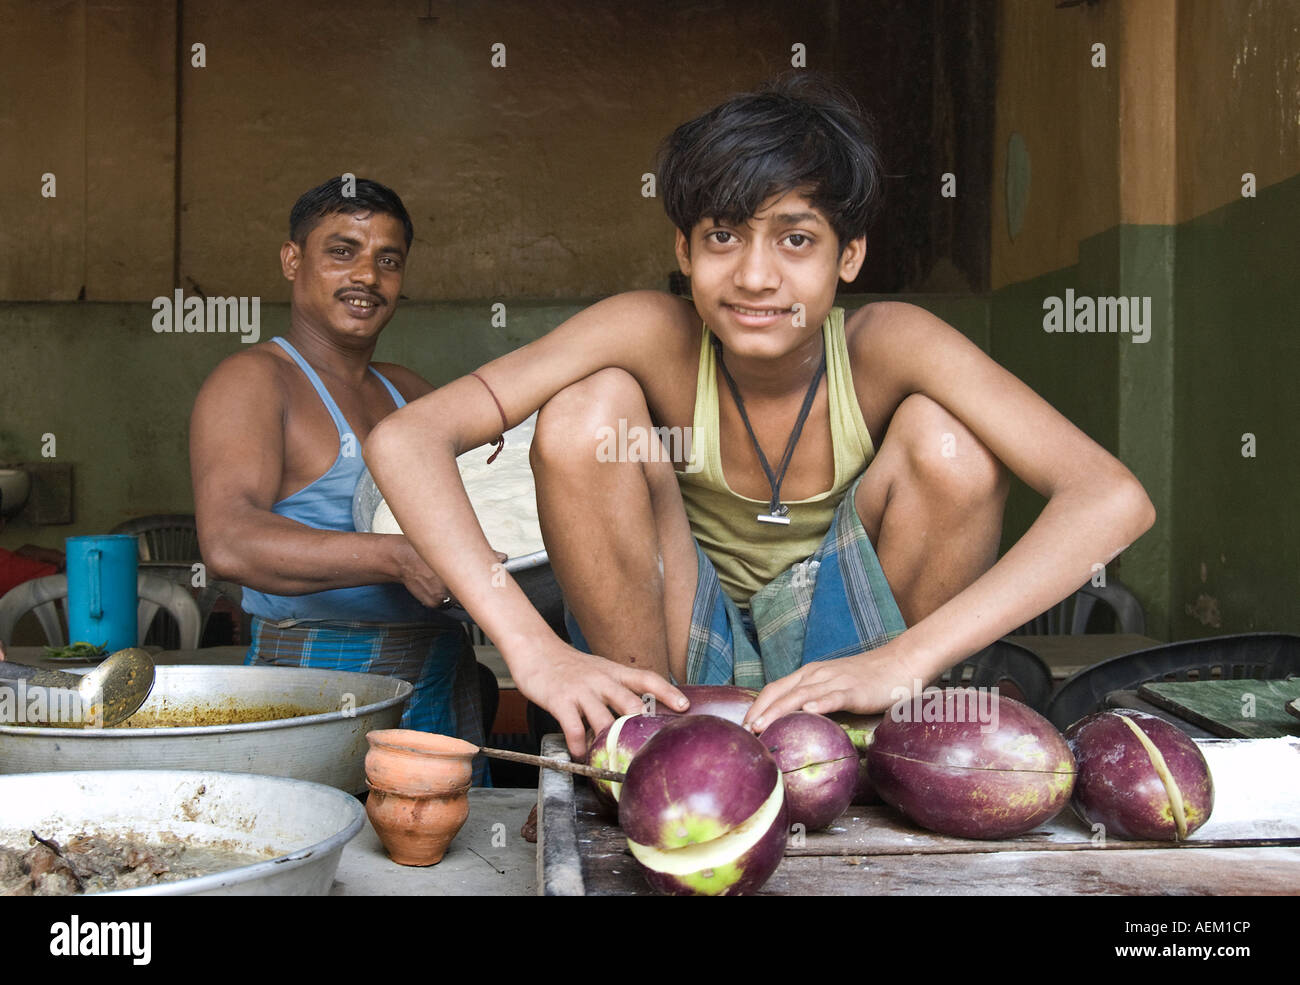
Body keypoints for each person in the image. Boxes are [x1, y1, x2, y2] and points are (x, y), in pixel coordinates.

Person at [364, 75, 1154, 757]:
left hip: (855, 659)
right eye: (723, 235)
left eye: (796, 238)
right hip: (680, 653)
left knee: (953, 447)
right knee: (586, 412)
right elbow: (406, 437)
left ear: (849, 256)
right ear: (684, 249)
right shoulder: (648, 331)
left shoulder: (892, 345)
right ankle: (648, 750)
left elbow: (1112, 496)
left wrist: (907, 661)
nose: (754, 274)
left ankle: (866, 750)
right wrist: (532, 650)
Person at [190, 177, 494, 783]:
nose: (367, 277)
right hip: (316, 687)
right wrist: (400, 558)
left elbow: (489, 506)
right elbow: (228, 541)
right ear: (292, 259)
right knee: (326, 852)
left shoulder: (409, 392)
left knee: (450, 860)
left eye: (388, 260)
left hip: (438, 675)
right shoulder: (254, 380)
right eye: (342, 251)